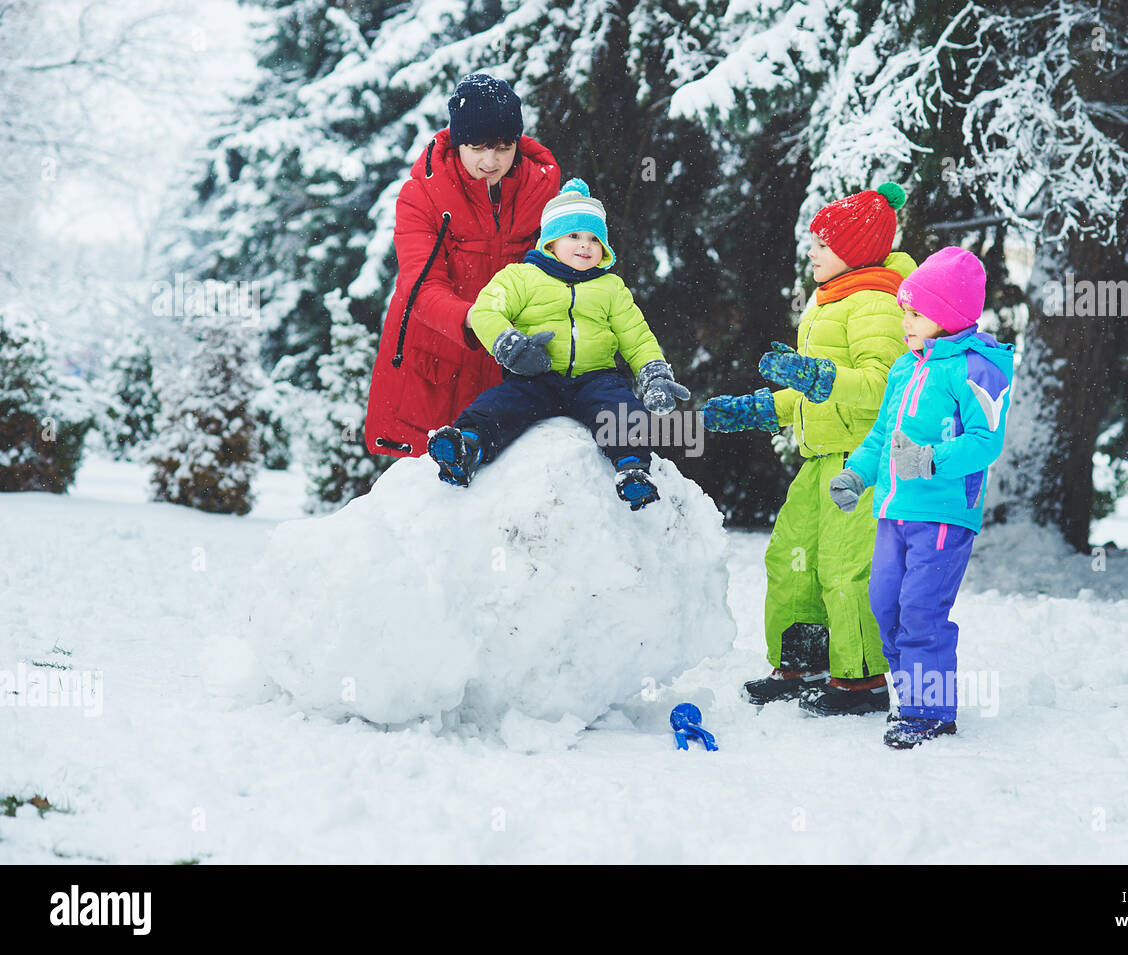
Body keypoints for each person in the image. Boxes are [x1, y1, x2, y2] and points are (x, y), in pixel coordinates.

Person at [701, 184, 916, 715]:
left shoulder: (877, 305)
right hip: (819, 461)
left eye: (822, 244)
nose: (811, 253)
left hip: (860, 463)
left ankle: (861, 679)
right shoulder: (828, 302)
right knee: (791, 559)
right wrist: (761, 408)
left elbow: (882, 388)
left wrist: (815, 376)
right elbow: (814, 394)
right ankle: (804, 662)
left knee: (846, 567)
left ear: (856, 249)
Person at [829, 246, 1014, 748]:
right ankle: (910, 692)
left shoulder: (977, 369)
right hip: (894, 511)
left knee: (920, 610)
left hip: (944, 514)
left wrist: (932, 459)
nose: (904, 321)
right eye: (904, 311)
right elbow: (879, 436)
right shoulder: (904, 368)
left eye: (915, 312)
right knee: (884, 602)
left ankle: (929, 710)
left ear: (949, 316)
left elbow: (985, 441)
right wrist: (857, 475)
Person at [428, 178, 690, 509]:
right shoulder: (521, 277)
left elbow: (636, 336)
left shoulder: (610, 287)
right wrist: (510, 346)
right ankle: (467, 449)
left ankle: (632, 471)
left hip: (597, 378)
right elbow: (486, 311)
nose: (585, 245)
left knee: (622, 410)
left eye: (595, 239)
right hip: (536, 375)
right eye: (574, 236)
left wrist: (653, 373)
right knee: (501, 404)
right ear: (550, 242)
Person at [366, 73, 562, 458]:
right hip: (439, 363)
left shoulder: (543, 192)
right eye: (478, 147)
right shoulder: (421, 195)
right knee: (431, 485)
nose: (491, 162)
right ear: (458, 143)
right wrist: (481, 320)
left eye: (503, 148)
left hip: (512, 368)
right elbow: (421, 287)